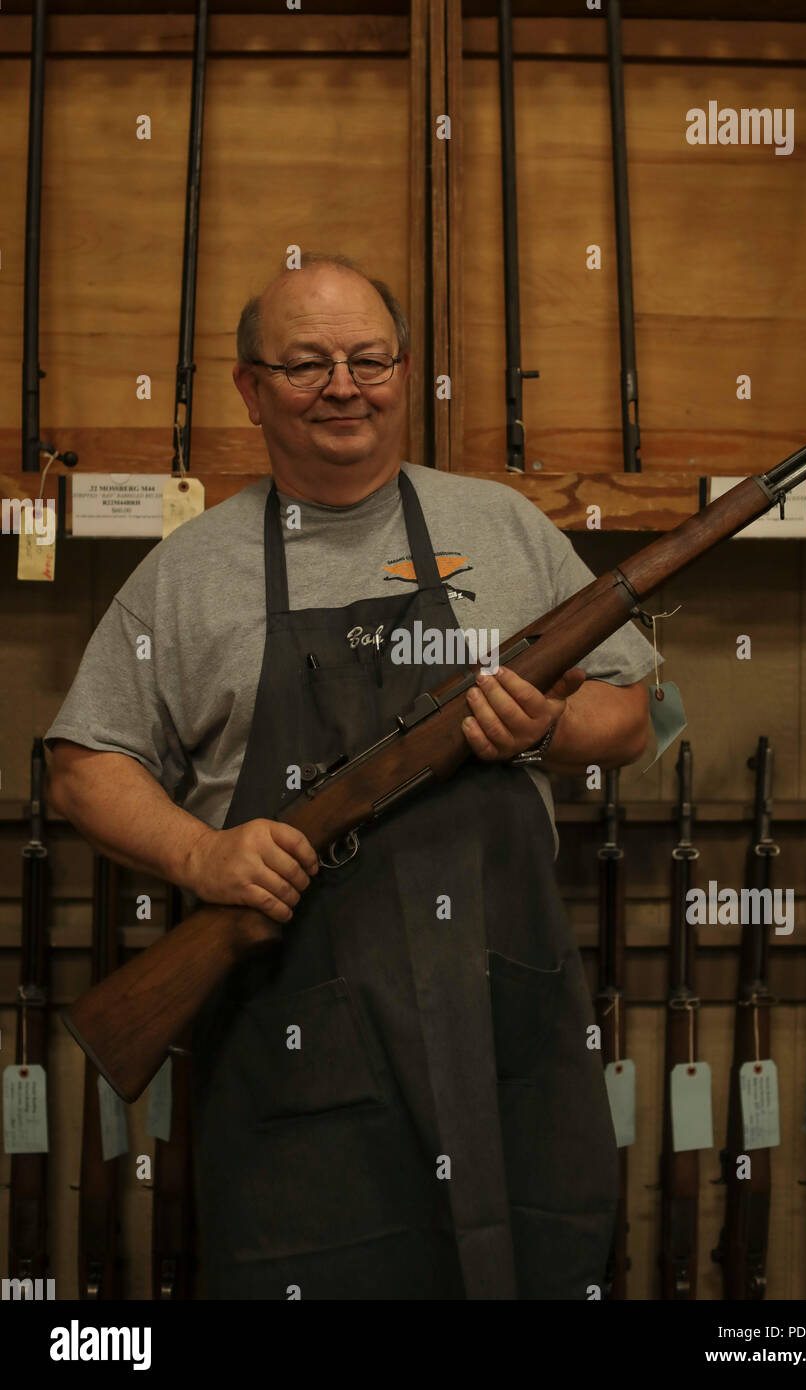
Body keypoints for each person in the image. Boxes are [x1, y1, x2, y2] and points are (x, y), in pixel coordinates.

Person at [46, 251, 654, 1300]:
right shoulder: (187, 574)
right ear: (249, 385)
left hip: (500, 1032)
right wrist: (202, 852)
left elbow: (633, 711)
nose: (344, 384)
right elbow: (81, 762)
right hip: (302, 1045)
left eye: (370, 358)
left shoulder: (502, 526)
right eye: (306, 362)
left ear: (404, 372)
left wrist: (547, 727)